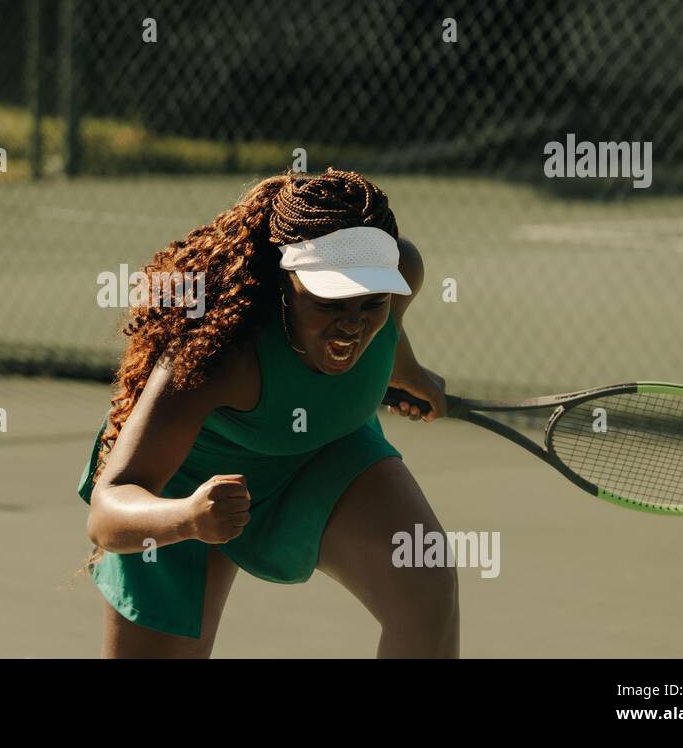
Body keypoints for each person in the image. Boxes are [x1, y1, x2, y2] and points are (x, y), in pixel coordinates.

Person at [77, 168, 454, 658]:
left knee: (423, 581)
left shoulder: (402, 272)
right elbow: (107, 509)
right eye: (329, 300)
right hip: (189, 487)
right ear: (284, 279)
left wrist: (408, 374)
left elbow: (388, 331)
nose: (352, 326)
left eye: (372, 301)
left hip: (323, 454)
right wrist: (187, 517)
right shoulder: (215, 356)